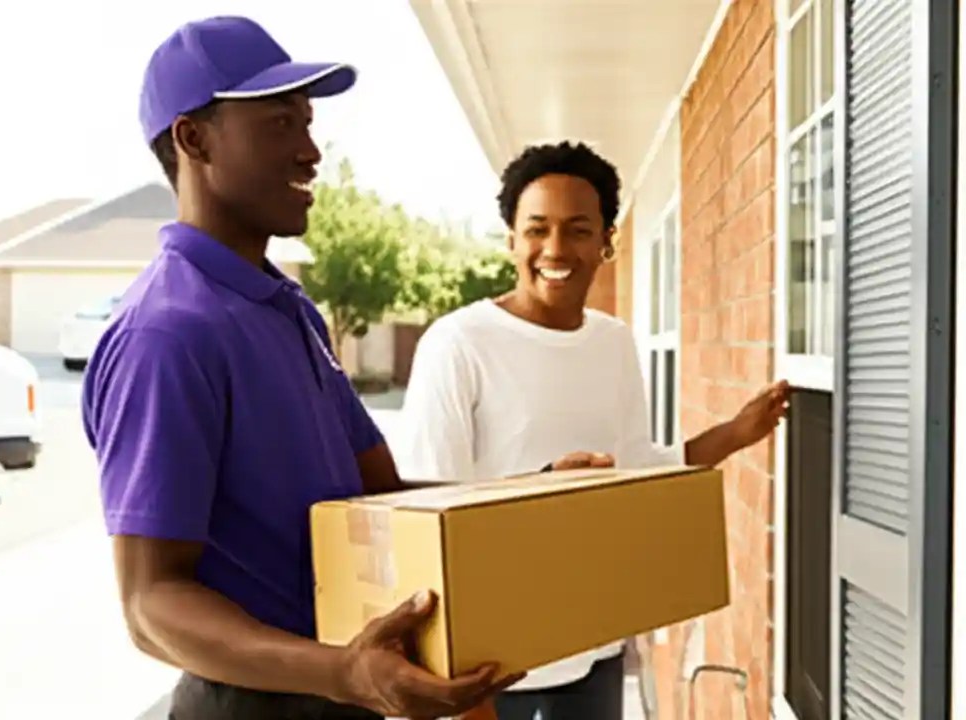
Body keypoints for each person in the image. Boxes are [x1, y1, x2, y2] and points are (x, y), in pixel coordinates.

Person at [81, 16, 523, 720]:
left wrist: (536, 498)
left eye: (308, 124)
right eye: (280, 123)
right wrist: (345, 672)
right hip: (253, 705)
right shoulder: (167, 332)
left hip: (342, 691)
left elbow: (378, 498)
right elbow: (151, 604)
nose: (311, 151)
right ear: (194, 140)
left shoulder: (289, 309)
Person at [400, 141, 790, 720]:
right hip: (489, 668)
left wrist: (734, 434)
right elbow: (424, 511)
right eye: (537, 229)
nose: (555, 249)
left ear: (606, 242)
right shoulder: (458, 344)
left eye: (578, 230)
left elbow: (634, 470)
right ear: (511, 238)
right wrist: (462, 695)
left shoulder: (612, 342)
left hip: (593, 647)